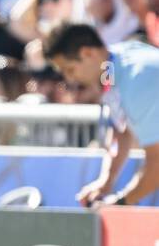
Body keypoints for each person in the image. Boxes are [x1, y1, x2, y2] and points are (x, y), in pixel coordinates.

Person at [44, 22, 159, 207]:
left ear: (88, 54)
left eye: (69, 69)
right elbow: (120, 128)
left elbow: (157, 165)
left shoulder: (137, 80)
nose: (69, 79)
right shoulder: (112, 63)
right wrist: (105, 184)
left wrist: (120, 203)